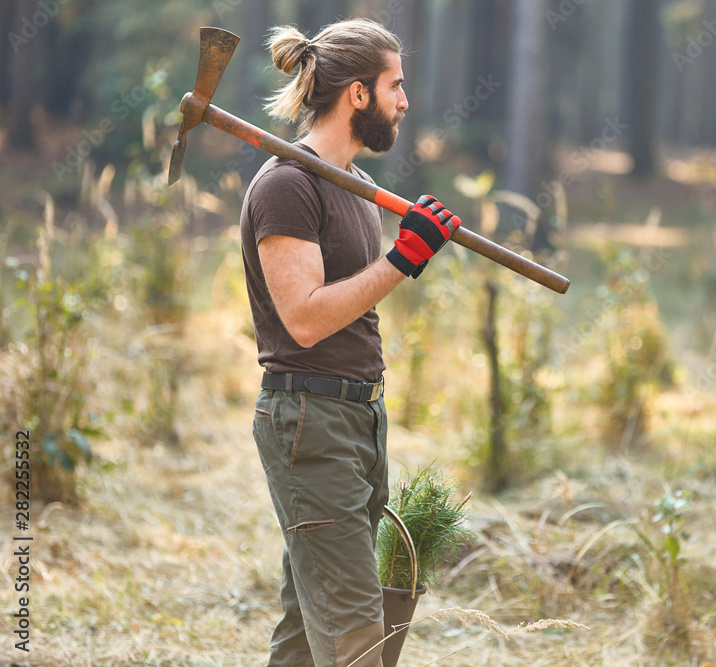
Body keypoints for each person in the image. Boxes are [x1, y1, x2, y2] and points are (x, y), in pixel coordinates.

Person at [239, 18, 461, 667]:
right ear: (357, 94)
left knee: (308, 636)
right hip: (308, 421)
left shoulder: (359, 192)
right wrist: (404, 258)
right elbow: (303, 319)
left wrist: (401, 251)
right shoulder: (288, 185)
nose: (405, 101)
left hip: (359, 418)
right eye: (396, 85)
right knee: (359, 636)